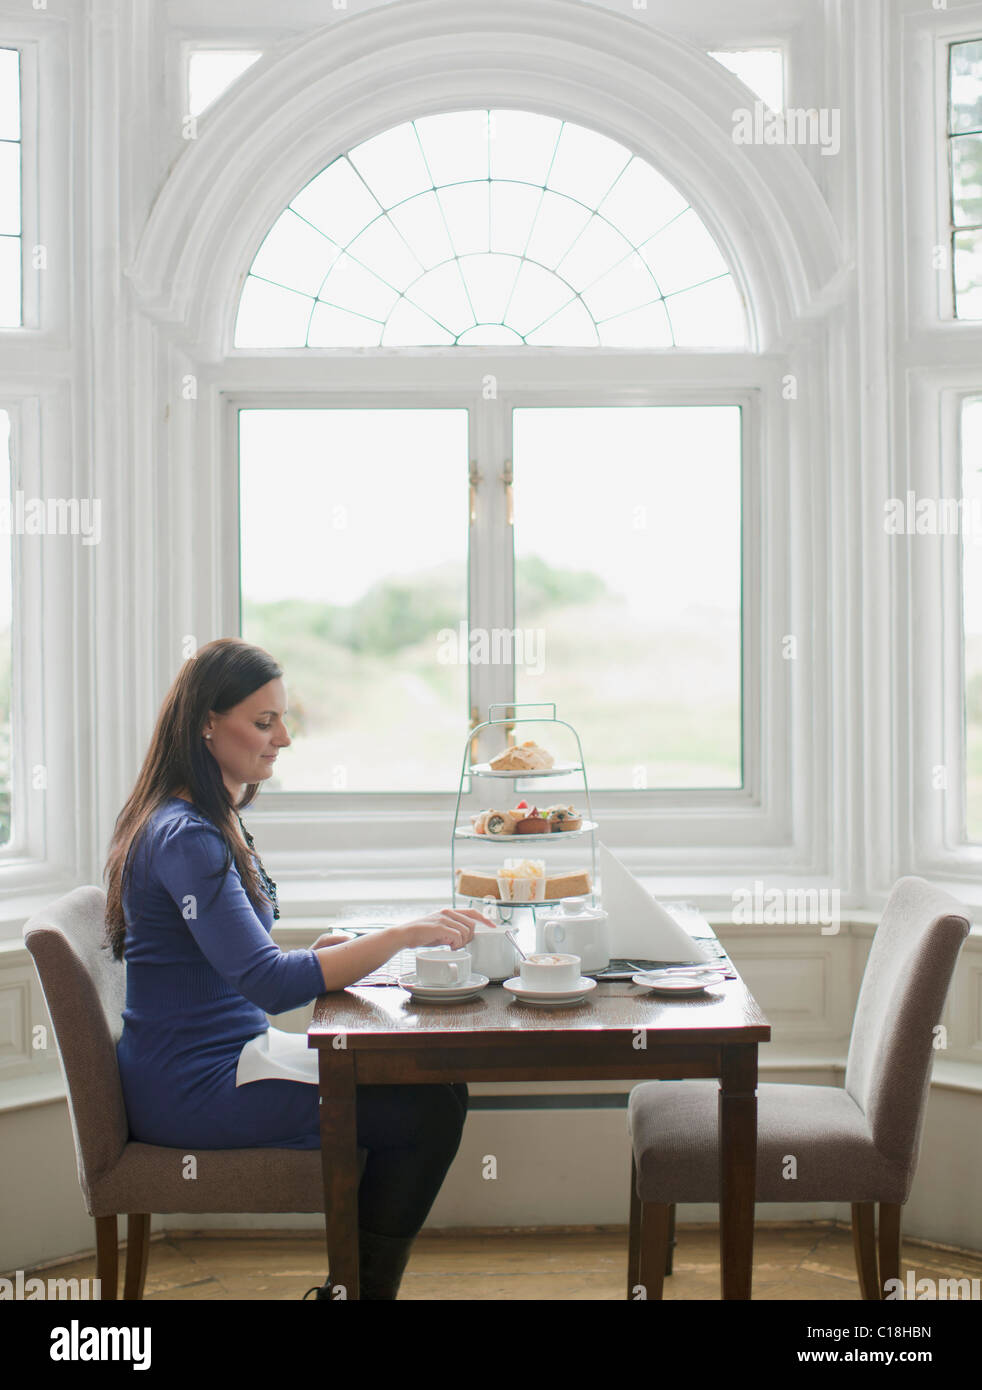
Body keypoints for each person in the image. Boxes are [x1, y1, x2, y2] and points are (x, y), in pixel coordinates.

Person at [103, 637, 495, 1300]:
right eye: (262, 722)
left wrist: (334, 950)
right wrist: (401, 935)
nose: (282, 736)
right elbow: (269, 982)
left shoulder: (202, 818)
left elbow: (243, 962)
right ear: (205, 724)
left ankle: (348, 1291)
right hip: (196, 1086)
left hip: (227, 1057)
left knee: (440, 1088)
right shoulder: (186, 835)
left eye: (283, 718)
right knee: (427, 1111)